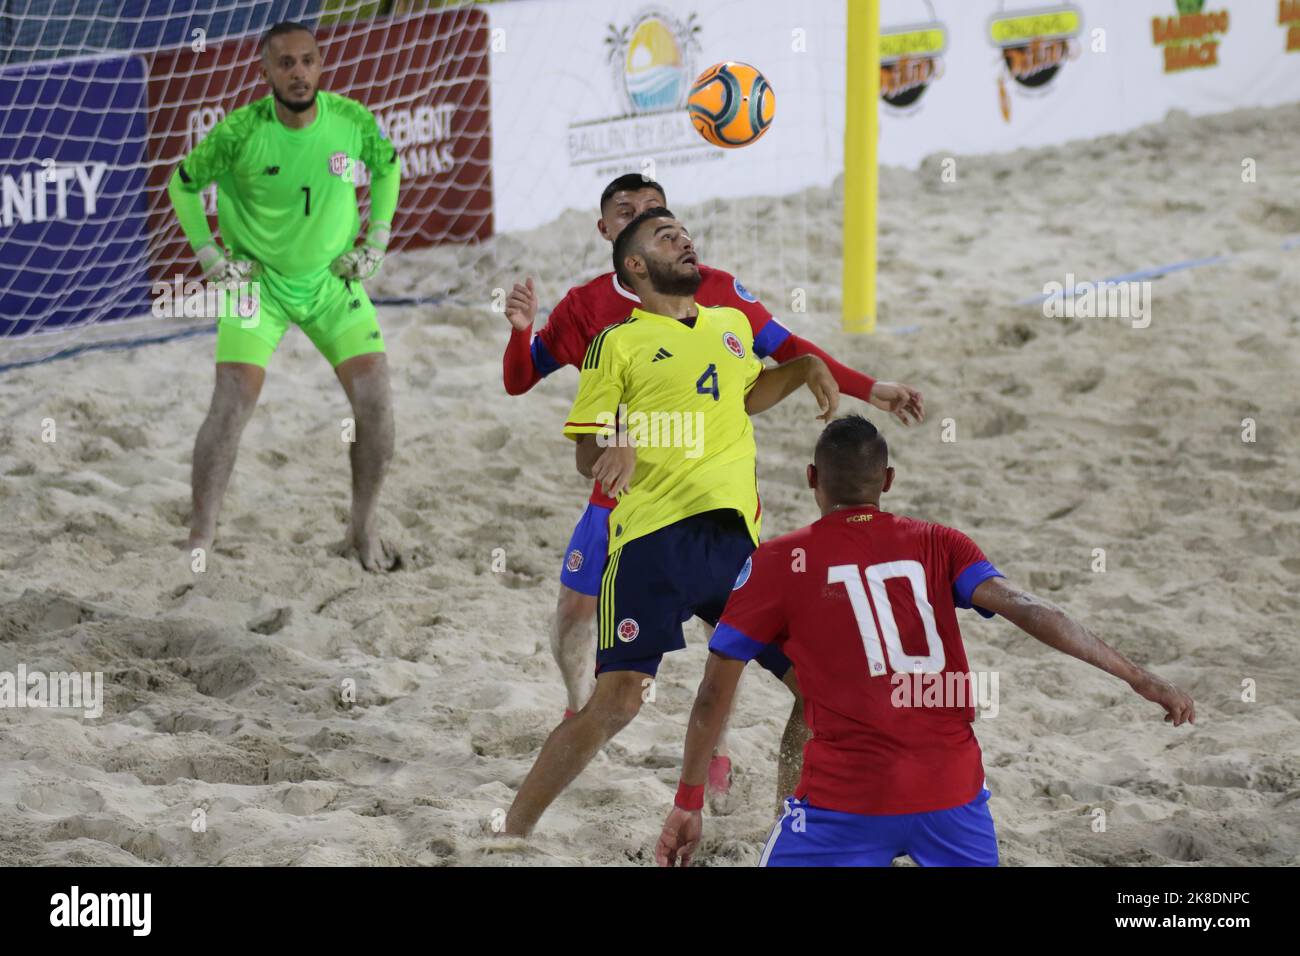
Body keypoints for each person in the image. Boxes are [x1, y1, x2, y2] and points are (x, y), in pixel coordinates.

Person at [502, 173, 924, 800]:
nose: (653, 218)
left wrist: (868, 387)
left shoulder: (716, 294)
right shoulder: (588, 306)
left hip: (713, 501)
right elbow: (520, 379)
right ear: (613, 235)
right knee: (572, 614)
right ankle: (575, 704)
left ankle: (717, 753)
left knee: (724, 638)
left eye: (661, 211)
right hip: (621, 493)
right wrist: (519, 330)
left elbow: (786, 349)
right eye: (633, 212)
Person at [655, 414, 1196, 867]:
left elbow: (712, 693)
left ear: (811, 477)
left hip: (847, 801)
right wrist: (1139, 677)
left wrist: (688, 801)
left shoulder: (775, 562)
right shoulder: (939, 542)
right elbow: (1031, 609)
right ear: (887, 480)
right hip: (952, 794)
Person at [168, 20, 401, 570]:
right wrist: (208, 256)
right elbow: (182, 184)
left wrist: (377, 240)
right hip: (259, 287)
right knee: (228, 408)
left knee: (377, 405)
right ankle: (200, 539)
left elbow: (387, 169)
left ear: (320, 65)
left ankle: (362, 529)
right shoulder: (240, 132)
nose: (299, 73)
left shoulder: (350, 120)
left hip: (330, 283)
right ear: (266, 72)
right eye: (286, 63)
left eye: (308, 61)